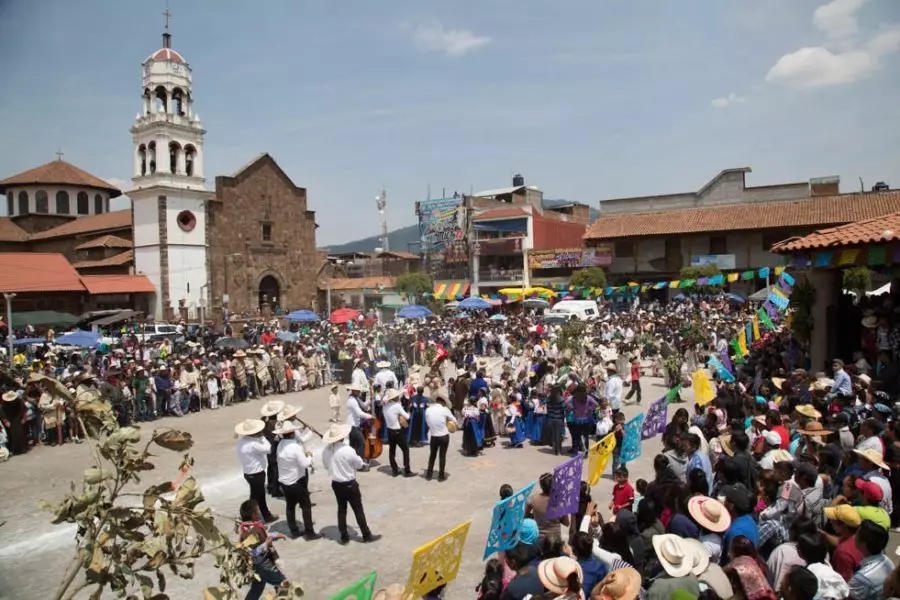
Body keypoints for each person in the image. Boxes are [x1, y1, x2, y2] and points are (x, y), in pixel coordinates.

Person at [320, 423, 381, 545]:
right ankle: (366, 534)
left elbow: (326, 465)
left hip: (336, 483)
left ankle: (344, 536)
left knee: (341, 510)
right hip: (349, 483)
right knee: (358, 509)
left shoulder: (326, 451)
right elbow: (358, 464)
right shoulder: (348, 450)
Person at [274, 419, 321, 541]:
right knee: (306, 506)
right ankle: (310, 533)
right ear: (292, 433)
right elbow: (305, 464)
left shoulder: (280, 445)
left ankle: (294, 531)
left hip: (284, 481)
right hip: (296, 481)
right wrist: (310, 456)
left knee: (290, 506)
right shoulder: (295, 447)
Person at [239, 499, 287, 600]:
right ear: (254, 515)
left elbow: (263, 539)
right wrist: (265, 545)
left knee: (257, 588)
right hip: (263, 564)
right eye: (258, 510)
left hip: (256, 566)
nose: (260, 512)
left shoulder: (248, 527)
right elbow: (252, 552)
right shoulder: (252, 531)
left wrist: (274, 536)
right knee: (283, 584)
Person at [235, 419, 278, 523]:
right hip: (257, 473)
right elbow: (268, 449)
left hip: (248, 472)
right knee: (259, 497)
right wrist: (263, 437)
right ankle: (264, 516)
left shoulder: (241, 442)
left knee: (254, 496)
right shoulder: (253, 444)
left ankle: (249, 516)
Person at [848, 520, 894, 600]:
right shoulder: (888, 561)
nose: (854, 536)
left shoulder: (860, 579)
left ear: (863, 544)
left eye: (856, 534)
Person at [822, 504, 863, 581]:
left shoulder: (842, 553)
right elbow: (839, 541)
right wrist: (823, 534)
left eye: (833, 519)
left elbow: (843, 584)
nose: (830, 521)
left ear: (844, 525)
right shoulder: (859, 536)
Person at [424, 397, 456, 481]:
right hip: (444, 436)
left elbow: (427, 423)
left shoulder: (428, 410)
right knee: (442, 456)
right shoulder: (444, 409)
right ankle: (441, 476)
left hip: (434, 435)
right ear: (442, 402)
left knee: (432, 455)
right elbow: (454, 420)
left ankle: (429, 475)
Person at [382, 388, 413, 477]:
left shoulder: (385, 406)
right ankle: (407, 470)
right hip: (397, 431)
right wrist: (409, 412)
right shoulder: (397, 406)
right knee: (405, 449)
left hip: (389, 430)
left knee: (392, 451)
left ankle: (394, 470)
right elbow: (407, 417)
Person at [345, 383, 373, 465]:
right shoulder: (352, 400)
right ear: (354, 391)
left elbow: (364, 406)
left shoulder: (356, 398)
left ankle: (351, 462)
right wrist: (370, 416)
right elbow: (359, 413)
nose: (360, 392)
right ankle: (360, 463)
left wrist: (370, 400)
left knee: (353, 446)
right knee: (362, 443)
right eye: (358, 390)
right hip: (353, 426)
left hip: (353, 425)